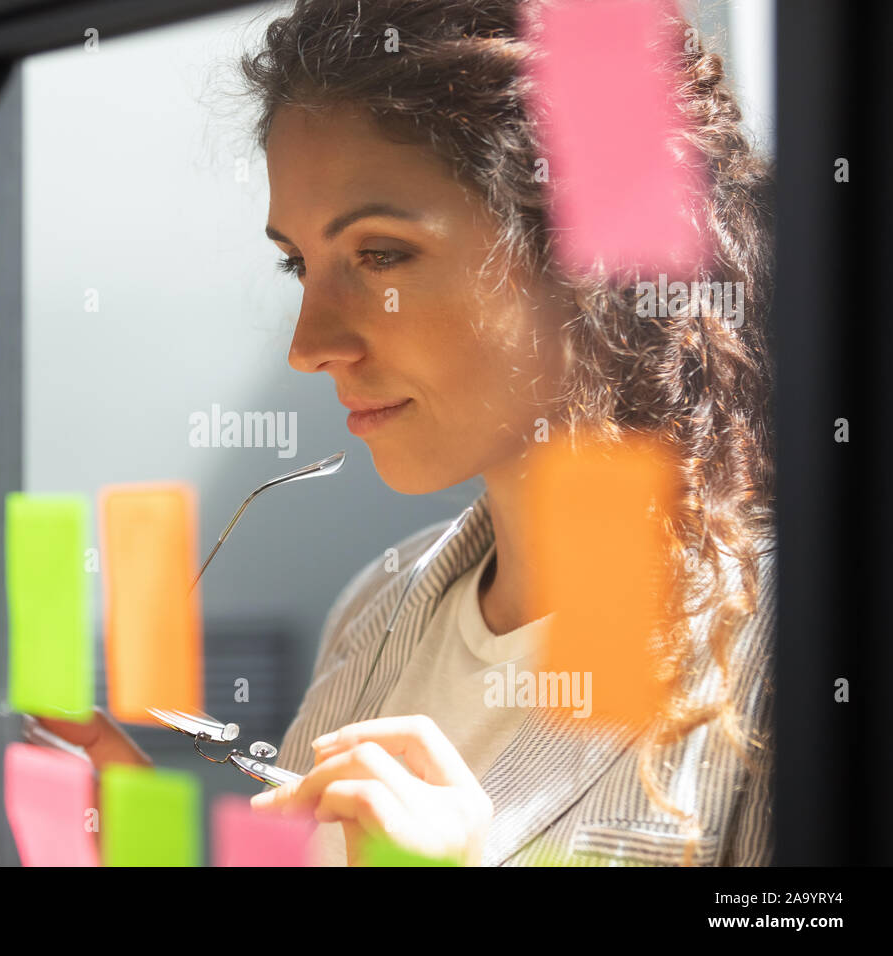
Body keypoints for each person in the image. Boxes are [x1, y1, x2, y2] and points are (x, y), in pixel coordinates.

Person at [39, 0, 776, 867]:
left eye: (381, 255)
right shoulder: (374, 612)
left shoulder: (784, 651)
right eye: (298, 263)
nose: (309, 347)